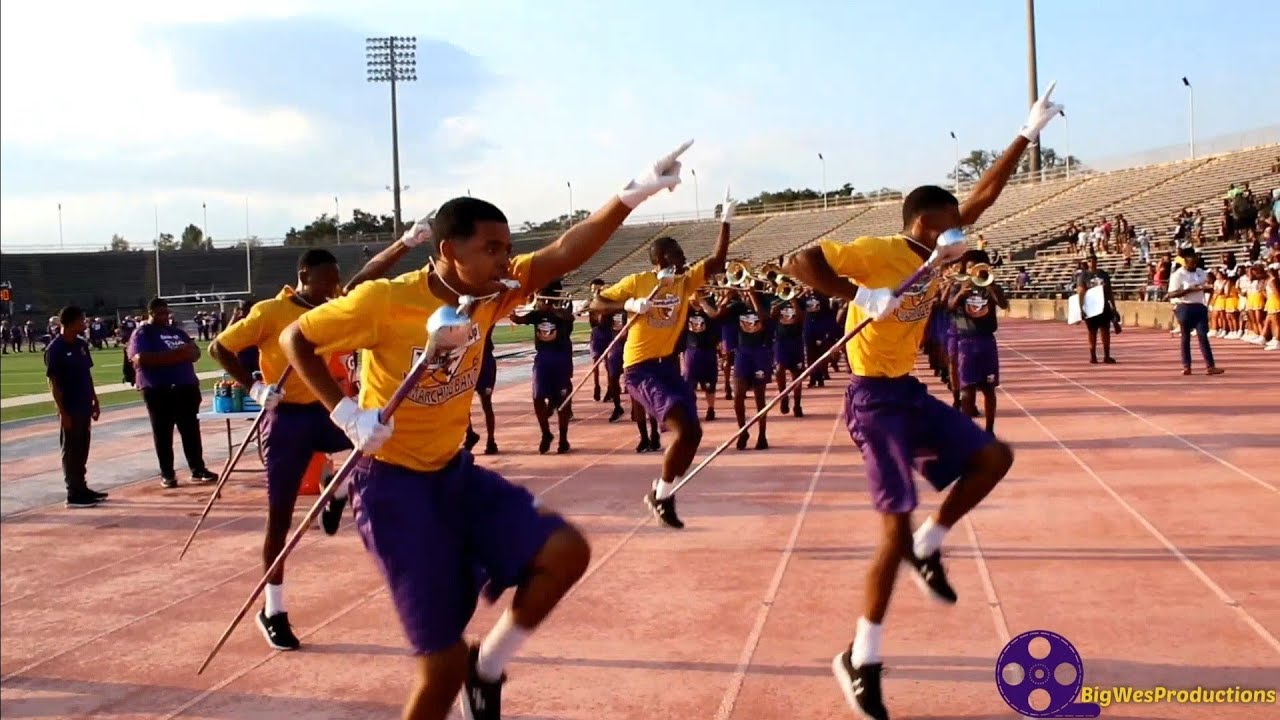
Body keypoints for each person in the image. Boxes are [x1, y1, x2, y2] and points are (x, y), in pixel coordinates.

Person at [280, 142, 691, 720]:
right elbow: (295, 339)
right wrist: (346, 415)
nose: (506, 260)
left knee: (565, 551)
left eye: (507, 248)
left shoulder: (491, 296)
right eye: (491, 248)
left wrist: (635, 193)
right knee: (438, 669)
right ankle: (462, 671)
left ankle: (489, 666)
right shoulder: (383, 302)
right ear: (448, 251)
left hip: (454, 476)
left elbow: (559, 255)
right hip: (392, 487)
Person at [784, 83, 1061, 720]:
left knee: (993, 457)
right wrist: (851, 297)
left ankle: (932, 543)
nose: (962, 230)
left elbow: (984, 196)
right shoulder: (881, 252)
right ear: (922, 223)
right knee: (891, 529)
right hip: (873, 401)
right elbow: (802, 260)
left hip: (908, 391)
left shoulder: (938, 253)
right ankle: (861, 657)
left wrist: (1025, 131)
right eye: (951, 223)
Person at [208, 249, 349, 652]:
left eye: (335, 282)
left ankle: (336, 489)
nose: (331, 289)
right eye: (324, 281)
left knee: (377, 446)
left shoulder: (333, 308)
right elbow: (219, 347)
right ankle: (274, 610)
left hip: (324, 410)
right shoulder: (271, 312)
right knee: (280, 519)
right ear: (303, 275)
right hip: (285, 420)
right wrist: (253, 387)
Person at [589, 189, 733, 529]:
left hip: (668, 366)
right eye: (676, 255)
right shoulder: (637, 282)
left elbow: (717, 263)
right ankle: (662, 495)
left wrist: (726, 221)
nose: (683, 260)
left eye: (682, 256)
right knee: (682, 431)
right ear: (661, 259)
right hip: (639, 369)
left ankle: (662, 493)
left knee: (694, 434)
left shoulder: (685, 283)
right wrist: (626, 305)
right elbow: (595, 304)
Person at [127, 298, 217, 487]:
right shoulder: (143, 333)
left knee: (190, 430)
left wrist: (184, 354)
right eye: (161, 313)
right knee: (163, 432)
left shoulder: (176, 332)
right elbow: (141, 358)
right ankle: (167, 473)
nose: (165, 317)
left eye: (167, 313)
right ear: (150, 313)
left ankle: (197, 468)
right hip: (159, 389)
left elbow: (195, 353)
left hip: (185, 387)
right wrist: (177, 355)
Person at [45, 305, 106, 508]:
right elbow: (53, 383)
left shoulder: (81, 344)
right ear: (70, 323)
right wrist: (62, 411)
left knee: (83, 446)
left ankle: (82, 486)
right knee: (71, 448)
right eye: (81, 320)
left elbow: (87, 375)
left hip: (84, 403)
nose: (84, 323)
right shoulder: (55, 349)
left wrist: (94, 399)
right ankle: (73, 492)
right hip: (70, 405)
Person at [944, 250, 1009, 433]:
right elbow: (948, 307)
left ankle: (989, 430)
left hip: (987, 341)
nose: (974, 270)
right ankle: (968, 431)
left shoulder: (991, 286)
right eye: (970, 266)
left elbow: (1003, 304)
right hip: (966, 342)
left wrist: (991, 286)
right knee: (967, 388)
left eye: (978, 266)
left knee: (989, 388)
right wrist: (960, 295)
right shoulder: (959, 286)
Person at [508, 289, 576, 454]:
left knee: (563, 400)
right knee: (537, 397)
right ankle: (546, 434)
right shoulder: (536, 314)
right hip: (542, 360)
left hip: (561, 360)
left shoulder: (563, 312)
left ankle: (563, 438)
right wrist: (511, 313)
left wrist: (552, 309)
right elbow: (520, 319)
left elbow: (568, 317)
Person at [1166, 249, 1225, 376]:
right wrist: (1188, 290)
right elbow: (1171, 294)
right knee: (1185, 337)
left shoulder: (1200, 272)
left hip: (1199, 306)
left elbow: (1207, 285)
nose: (1194, 264)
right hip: (1185, 307)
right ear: (1185, 261)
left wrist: (1208, 288)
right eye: (1191, 261)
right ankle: (1187, 366)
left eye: (1195, 261)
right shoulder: (1178, 275)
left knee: (1203, 336)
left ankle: (1210, 366)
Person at [1075, 255, 1118, 364]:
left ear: (1097, 261)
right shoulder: (1083, 276)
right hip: (1091, 307)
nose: (1092, 263)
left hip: (1104, 306)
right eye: (1089, 261)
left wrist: (1114, 307)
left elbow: (1110, 292)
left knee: (1105, 332)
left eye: (1093, 260)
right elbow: (1081, 292)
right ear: (1087, 262)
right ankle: (1093, 356)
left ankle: (1106, 355)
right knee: (1092, 332)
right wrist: (1080, 308)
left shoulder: (1104, 275)